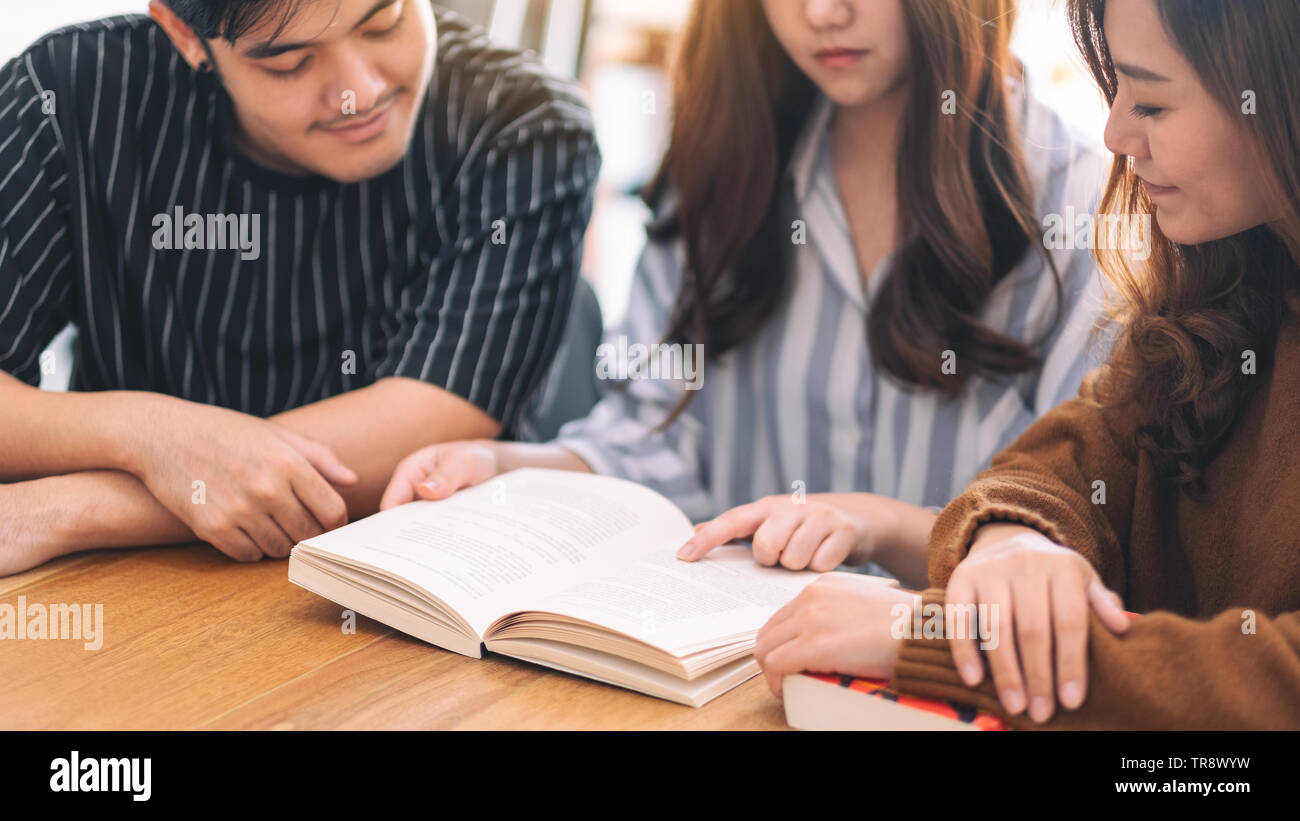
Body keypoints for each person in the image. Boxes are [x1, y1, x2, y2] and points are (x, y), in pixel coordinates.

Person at [380, 0, 1111, 589]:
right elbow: (650, 437)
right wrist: (504, 465)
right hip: (730, 671)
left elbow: (1071, 531)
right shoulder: (729, 168)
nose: (823, 13)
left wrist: (879, 524)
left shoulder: (1078, 207)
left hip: (945, 684)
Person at [754, 0, 1300, 730]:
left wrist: (941, 636)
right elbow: (1070, 459)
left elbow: (1276, 684)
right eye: (1116, 94)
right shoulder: (1238, 284)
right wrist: (1016, 541)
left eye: (1154, 103)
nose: (1116, 134)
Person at [0, 1, 600, 576]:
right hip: (112, 593)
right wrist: (144, 432)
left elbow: (433, 422)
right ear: (185, 36)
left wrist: (66, 511)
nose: (359, 92)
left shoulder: (522, 124)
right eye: (289, 62)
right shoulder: (66, 95)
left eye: (384, 22)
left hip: (401, 596)